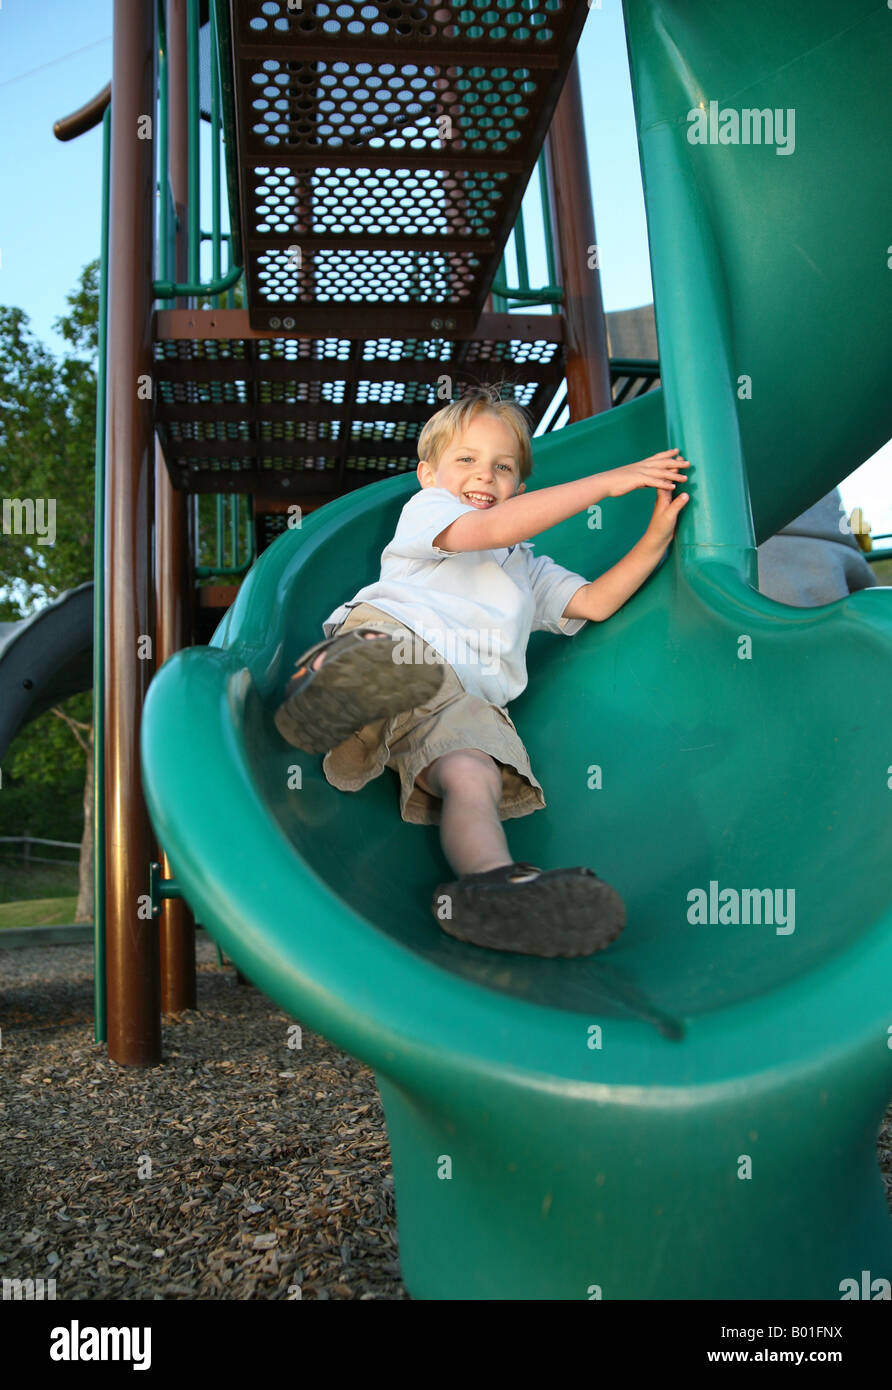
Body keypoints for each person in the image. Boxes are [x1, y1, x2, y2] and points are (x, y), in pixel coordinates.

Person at [275, 387, 690, 957]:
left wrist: (655, 539)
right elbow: (485, 532)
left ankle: (493, 887)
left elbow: (594, 602)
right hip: (398, 642)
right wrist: (605, 482)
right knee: (385, 660)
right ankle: (329, 690)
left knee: (476, 777)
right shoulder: (431, 513)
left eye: (502, 468)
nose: (483, 477)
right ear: (428, 474)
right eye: (465, 460)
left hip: (460, 702)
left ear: (519, 488)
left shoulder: (529, 567)